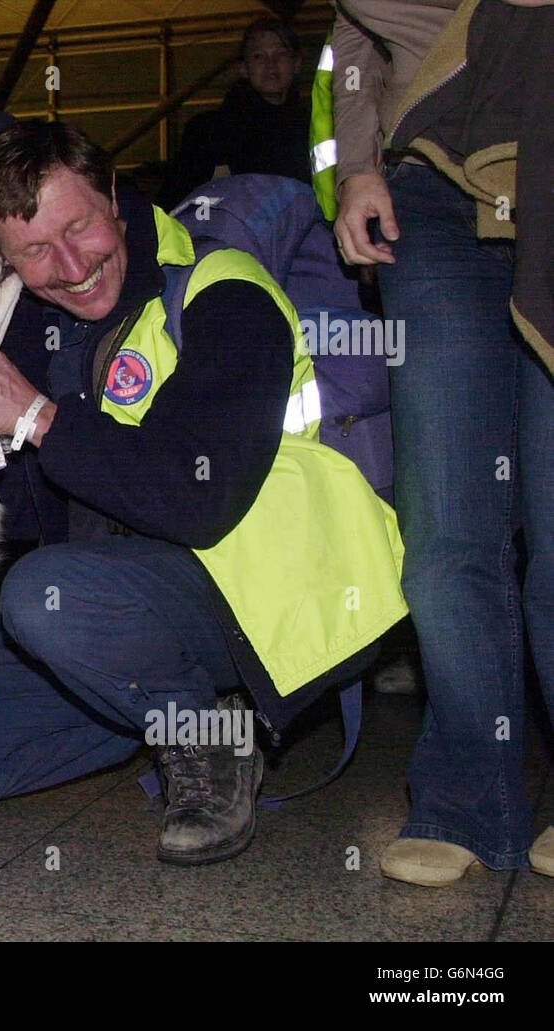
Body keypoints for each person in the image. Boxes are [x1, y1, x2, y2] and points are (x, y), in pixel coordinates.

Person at [0, 120, 405, 865]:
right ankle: (157, 704)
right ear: (7, 264)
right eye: (35, 253)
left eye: (78, 227)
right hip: (128, 601)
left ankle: (204, 736)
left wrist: (38, 416)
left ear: (115, 198)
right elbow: (37, 514)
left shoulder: (222, 288)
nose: (71, 265)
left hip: (271, 584)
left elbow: (197, 499)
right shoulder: (40, 328)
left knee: (43, 593)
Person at [332, 0, 554, 885]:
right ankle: (467, 798)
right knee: (444, 535)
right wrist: (357, 167)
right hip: (430, 191)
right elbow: (354, 39)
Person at [161, 17, 311, 209]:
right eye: (259, 56)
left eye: (280, 54)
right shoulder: (208, 132)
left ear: (297, 63)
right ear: (243, 68)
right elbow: (177, 199)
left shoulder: (314, 129)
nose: (271, 65)